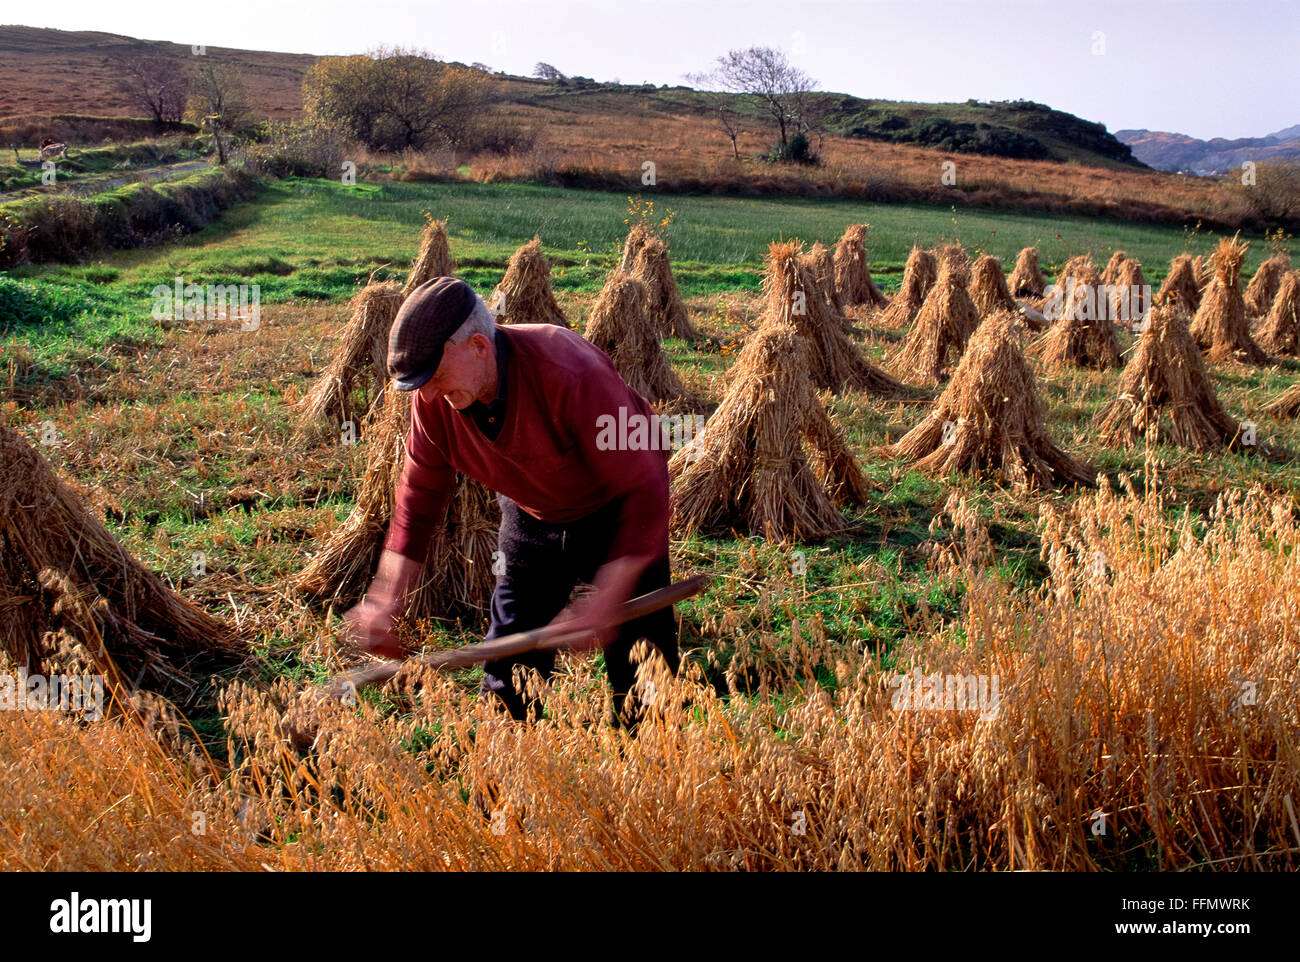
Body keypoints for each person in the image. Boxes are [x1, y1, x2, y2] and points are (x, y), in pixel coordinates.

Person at [344, 276, 678, 729]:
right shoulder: (435, 402)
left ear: (479, 346)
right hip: (532, 514)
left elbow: (645, 489)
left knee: (643, 663)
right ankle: (506, 769)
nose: (426, 395)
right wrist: (387, 598)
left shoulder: (570, 372)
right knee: (510, 665)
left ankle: (656, 763)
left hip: (619, 510)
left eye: (434, 377)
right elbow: (418, 497)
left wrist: (609, 594)